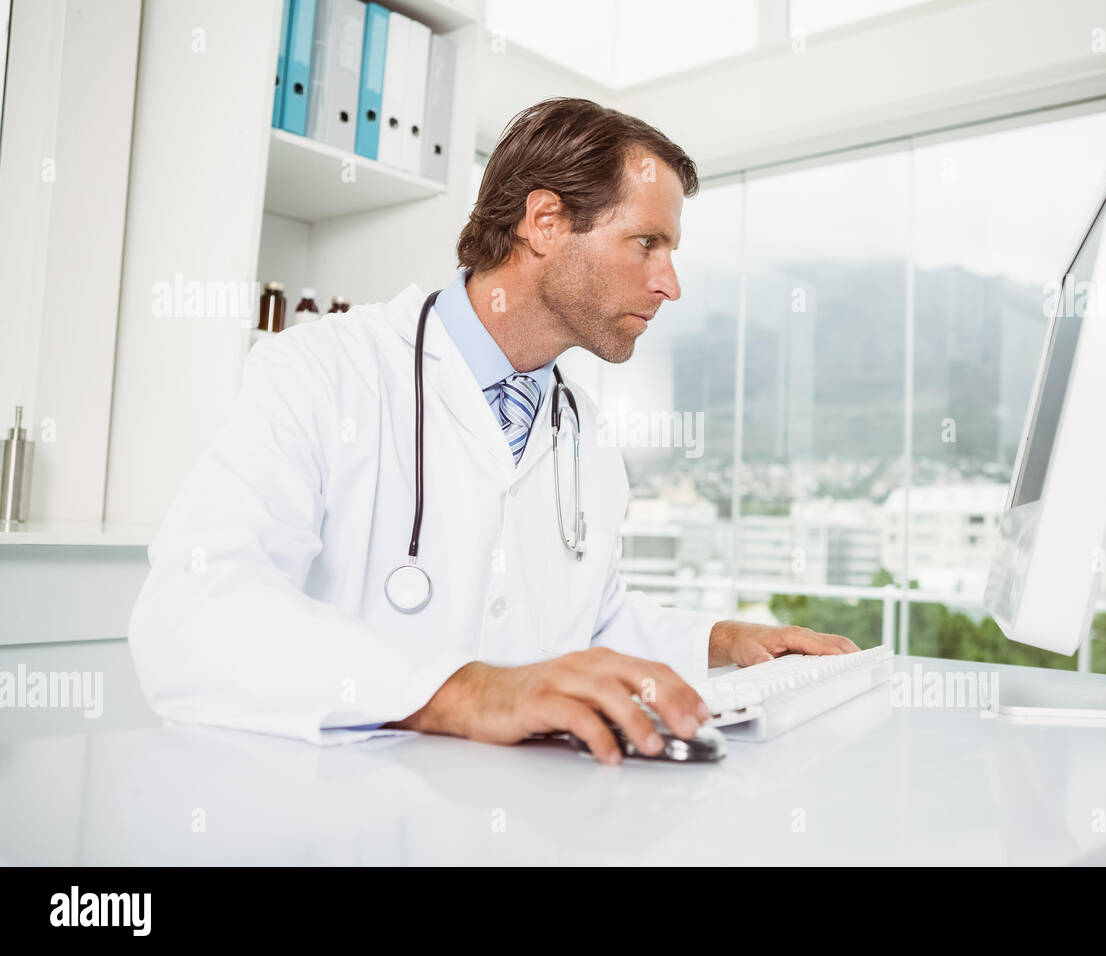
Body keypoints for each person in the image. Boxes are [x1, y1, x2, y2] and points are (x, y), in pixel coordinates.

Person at [128, 97, 856, 764]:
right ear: (544, 223)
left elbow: (589, 627)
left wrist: (723, 643)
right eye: (646, 243)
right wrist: (469, 691)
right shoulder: (320, 372)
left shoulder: (586, 437)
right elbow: (194, 613)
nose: (670, 283)